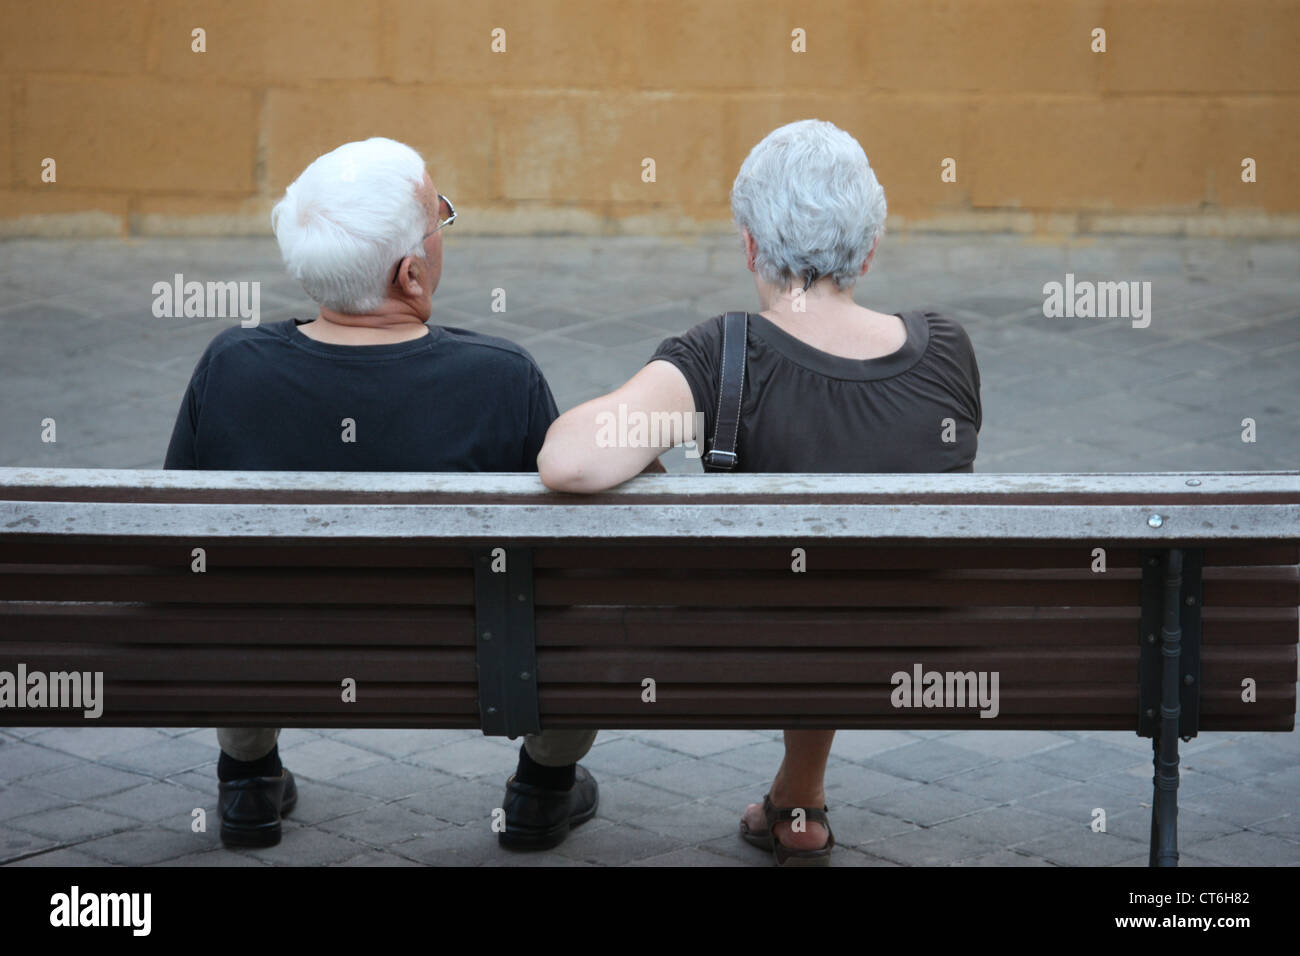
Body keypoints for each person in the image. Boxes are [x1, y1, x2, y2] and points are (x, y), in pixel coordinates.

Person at [535, 119, 982, 865]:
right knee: (834, 579)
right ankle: (799, 796)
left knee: (794, 582)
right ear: (868, 249)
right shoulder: (948, 348)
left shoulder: (723, 353)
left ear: (750, 247)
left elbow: (571, 463)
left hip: (748, 645)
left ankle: (795, 792)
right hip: (918, 644)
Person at [163, 137, 598, 851]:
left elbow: (184, 543)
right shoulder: (501, 378)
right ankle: (542, 788)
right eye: (439, 217)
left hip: (261, 650)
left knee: (226, 591)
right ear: (411, 273)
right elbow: (565, 566)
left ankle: (247, 777)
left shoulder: (229, 367)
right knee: (564, 611)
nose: (442, 229)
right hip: (477, 658)